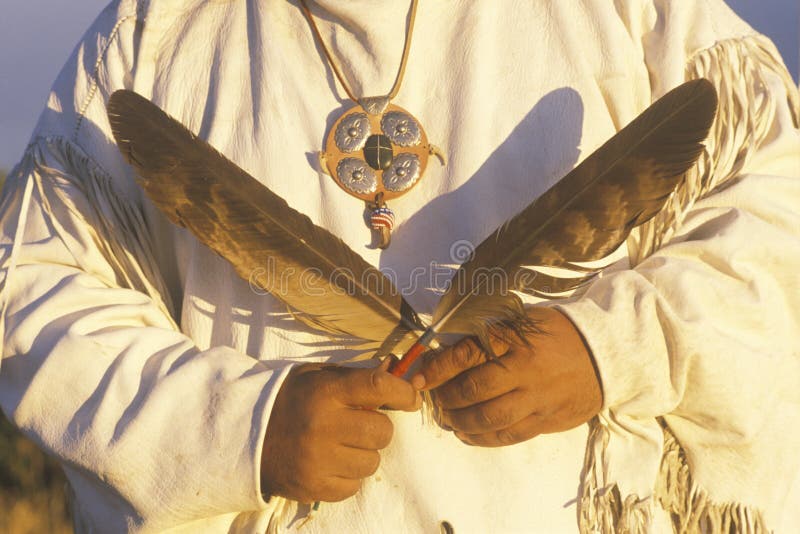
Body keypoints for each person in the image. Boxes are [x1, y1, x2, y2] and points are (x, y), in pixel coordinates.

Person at [1, 1, 798, 532]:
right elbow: (33, 291)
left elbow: (778, 209)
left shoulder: (637, 17)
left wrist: (607, 349)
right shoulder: (153, 37)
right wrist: (237, 426)